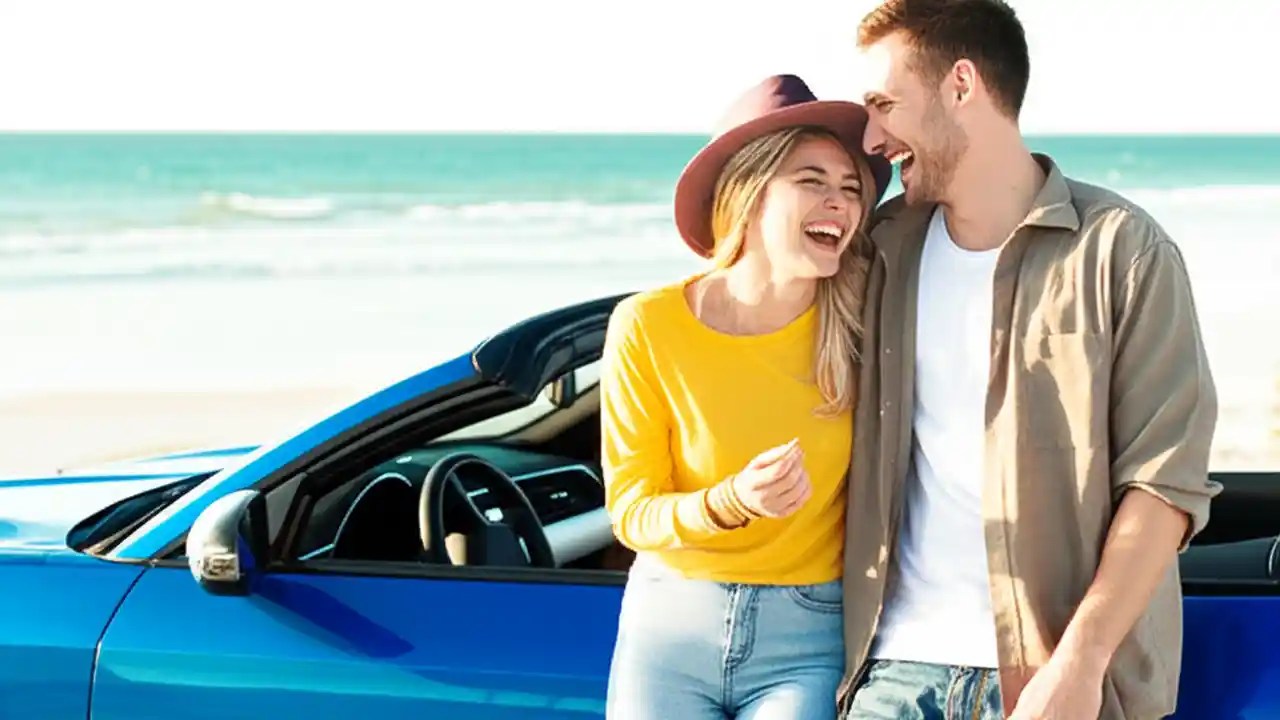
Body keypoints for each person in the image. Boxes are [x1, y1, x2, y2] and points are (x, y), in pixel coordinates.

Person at [835, 2, 1221, 719]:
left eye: (885, 104)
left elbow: (1164, 484)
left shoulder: (1122, 252)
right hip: (890, 676)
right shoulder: (879, 252)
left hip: (1062, 686)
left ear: (961, 85)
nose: (871, 136)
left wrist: (1080, 663)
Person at [599, 74, 891, 720]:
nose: (838, 204)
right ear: (750, 194)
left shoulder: (864, 328)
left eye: (850, 188)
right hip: (670, 627)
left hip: (808, 635)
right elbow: (631, 512)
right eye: (811, 181)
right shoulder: (649, 326)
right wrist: (730, 502)